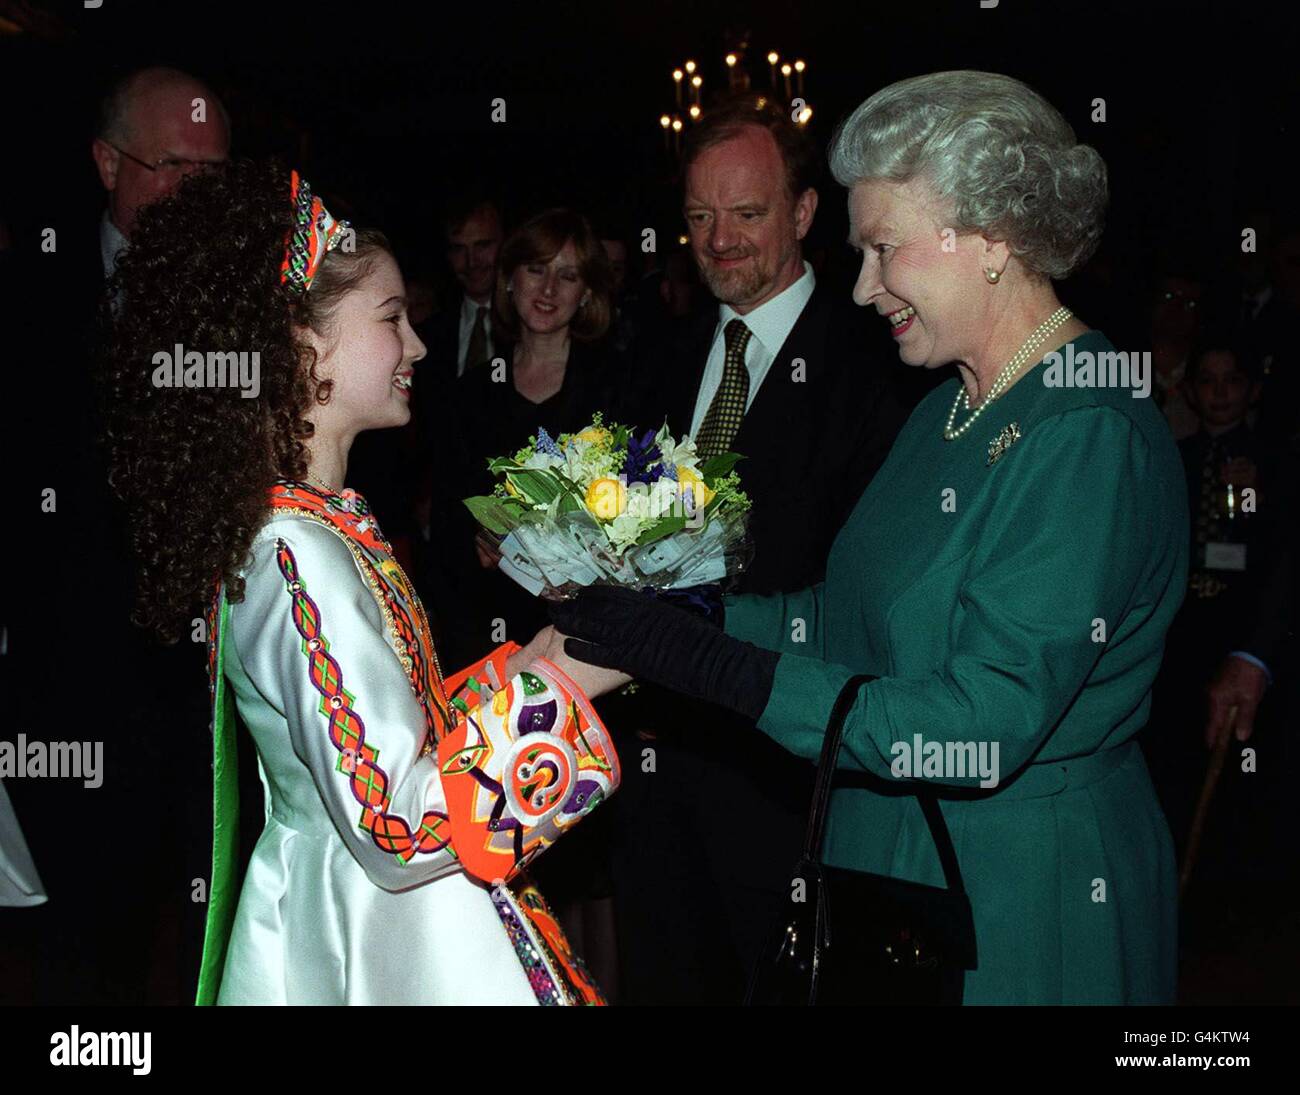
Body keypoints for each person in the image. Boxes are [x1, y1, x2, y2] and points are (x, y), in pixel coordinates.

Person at [552, 70, 1189, 1004]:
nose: (862, 286)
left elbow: (983, 720)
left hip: (1016, 893)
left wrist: (730, 673)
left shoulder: (1088, 429)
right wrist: (692, 619)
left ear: (993, 240)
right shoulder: (945, 409)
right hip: (890, 866)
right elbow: (838, 615)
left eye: (885, 250)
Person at [101, 158, 624, 1005]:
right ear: (299, 343)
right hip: (383, 939)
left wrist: (545, 656)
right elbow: (398, 823)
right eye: (390, 318)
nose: (417, 341)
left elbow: (400, 724)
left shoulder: (321, 520)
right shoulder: (295, 549)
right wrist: (570, 686)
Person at [609, 92, 908, 1004]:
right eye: (699, 217)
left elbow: (870, 595)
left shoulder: (878, 366)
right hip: (650, 769)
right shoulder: (655, 352)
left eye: (747, 213)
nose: (720, 239)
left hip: (784, 775)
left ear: (806, 213)